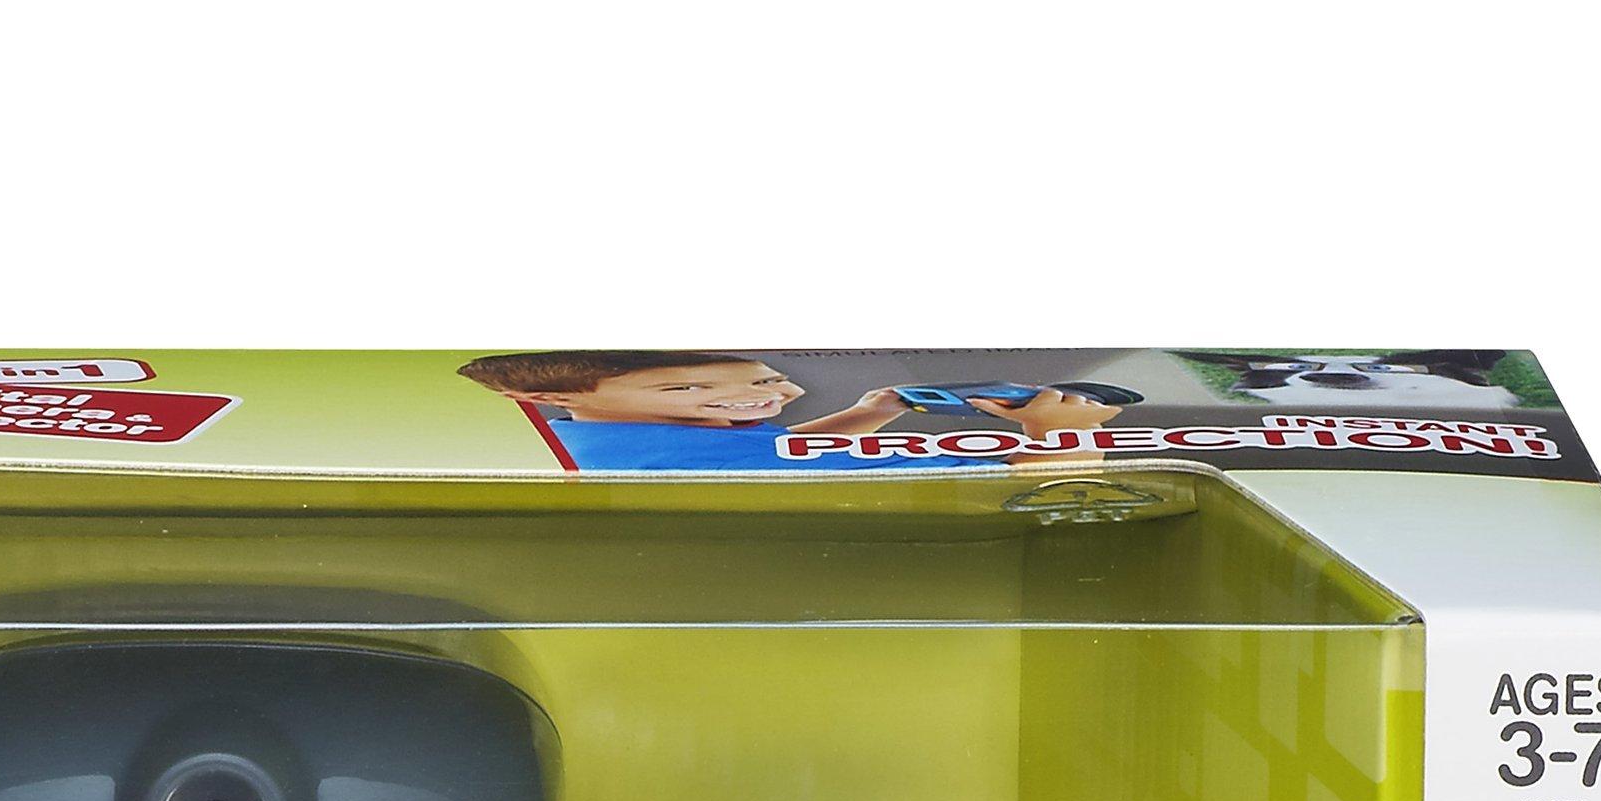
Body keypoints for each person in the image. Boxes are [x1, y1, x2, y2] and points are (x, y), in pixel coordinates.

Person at [457, 350, 1129, 470]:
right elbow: (1055, 496)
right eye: (684, 390)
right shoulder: (667, 463)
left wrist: (872, 410)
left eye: (770, 379)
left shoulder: (603, 438)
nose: (765, 398)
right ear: (551, 399)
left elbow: (771, 451)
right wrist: (1058, 435)